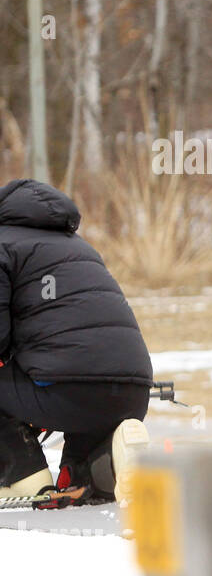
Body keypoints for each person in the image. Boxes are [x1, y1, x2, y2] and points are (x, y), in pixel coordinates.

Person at [0, 179, 152, 509]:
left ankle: (25, 477)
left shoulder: (2, 244)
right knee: (82, 484)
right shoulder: (81, 247)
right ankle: (113, 455)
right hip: (133, 394)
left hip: (66, 391)